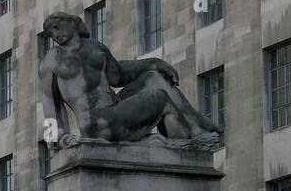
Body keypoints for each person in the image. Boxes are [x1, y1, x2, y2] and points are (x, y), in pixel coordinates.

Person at [39, 12, 222, 148]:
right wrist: (58, 138)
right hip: (97, 123)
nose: (54, 34)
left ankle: (196, 129)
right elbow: (49, 102)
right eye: (50, 33)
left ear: (73, 23)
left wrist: (155, 62)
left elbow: (118, 76)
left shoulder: (95, 47)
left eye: (56, 26)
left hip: (116, 111)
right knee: (161, 98)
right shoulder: (51, 59)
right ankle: (185, 142)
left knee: (154, 77)